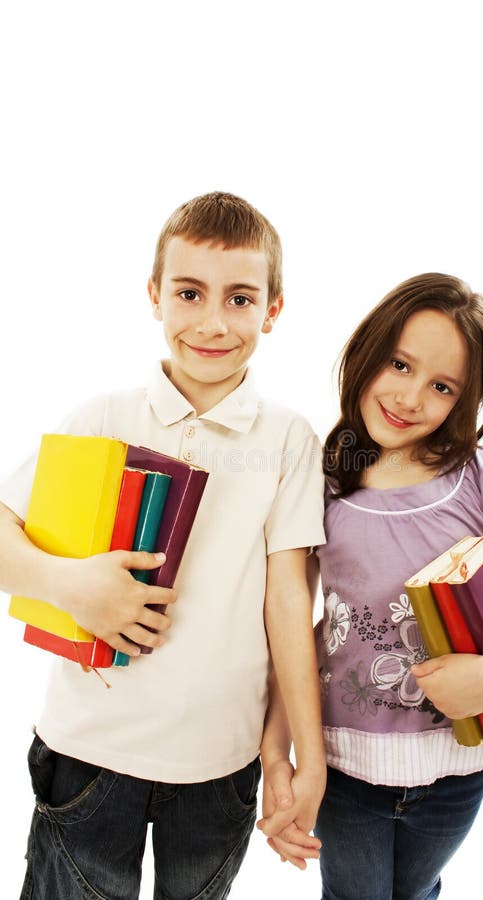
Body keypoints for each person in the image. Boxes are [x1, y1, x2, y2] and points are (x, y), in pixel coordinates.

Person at [0, 192, 327, 899]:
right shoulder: (102, 418)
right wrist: (68, 584)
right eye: (189, 292)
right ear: (155, 296)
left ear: (273, 309)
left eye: (240, 299)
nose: (213, 322)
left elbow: (288, 602)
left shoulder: (288, 439)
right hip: (88, 751)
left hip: (221, 764)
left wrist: (300, 755)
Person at [259, 272, 483, 899]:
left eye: (441, 386)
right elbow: (302, 628)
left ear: (465, 401)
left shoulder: (479, 478)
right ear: (367, 352)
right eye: (399, 364)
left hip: (458, 772)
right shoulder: (324, 480)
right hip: (344, 770)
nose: (411, 397)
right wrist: (277, 754)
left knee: (416, 893)